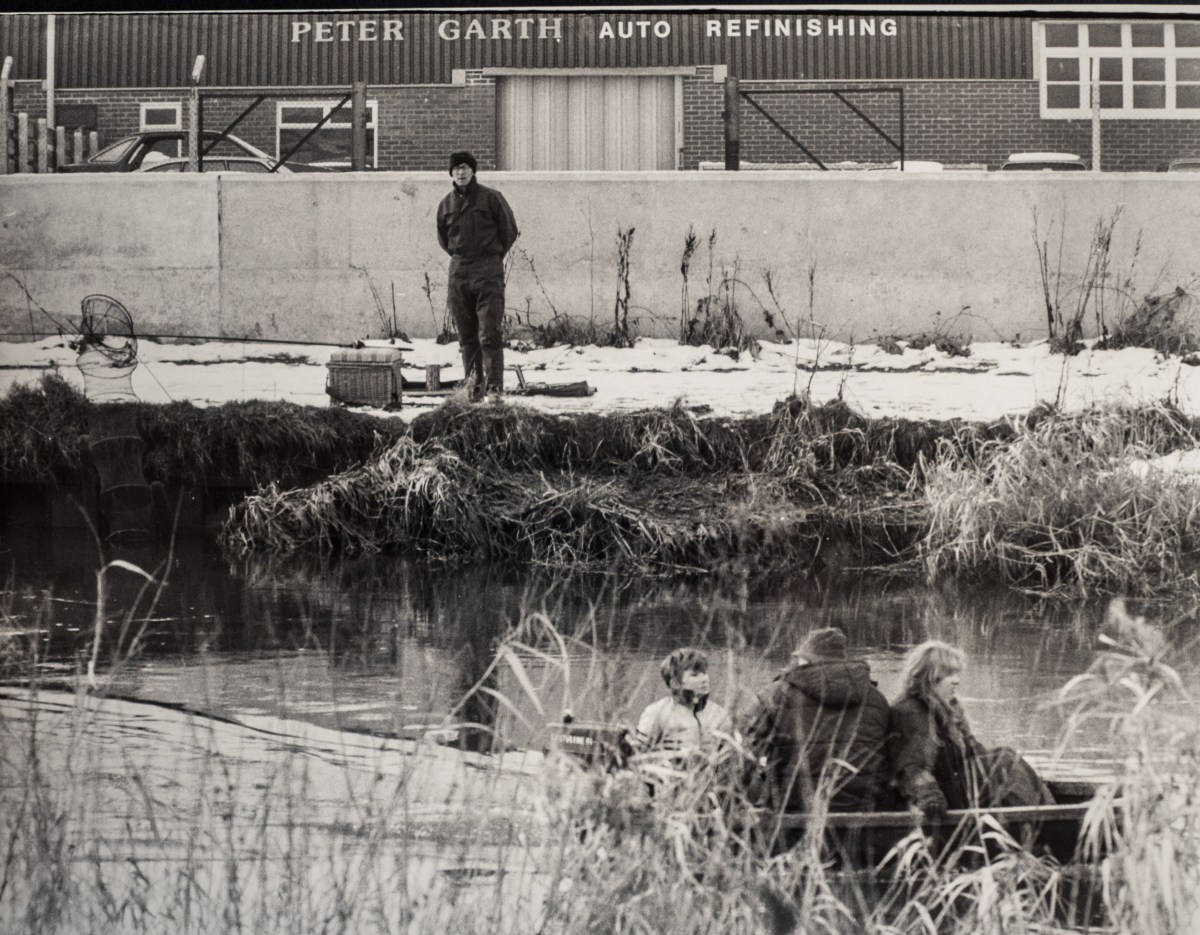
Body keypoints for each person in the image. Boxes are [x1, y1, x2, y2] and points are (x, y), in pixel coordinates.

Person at [887, 640, 1055, 819]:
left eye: (957, 674)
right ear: (929, 676)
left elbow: (973, 752)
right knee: (1006, 760)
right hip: (945, 796)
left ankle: (1047, 814)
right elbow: (911, 768)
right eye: (949, 675)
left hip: (961, 785)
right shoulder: (910, 712)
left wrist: (992, 764)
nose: (956, 681)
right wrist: (930, 797)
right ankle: (1049, 818)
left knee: (1005, 758)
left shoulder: (950, 709)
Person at [741, 626, 892, 813]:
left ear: (806, 659)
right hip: (863, 813)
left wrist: (728, 802)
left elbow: (742, 752)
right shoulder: (877, 699)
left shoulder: (776, 695)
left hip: (794, 814)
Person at [435, 151, 520, 400]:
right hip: (459, 272)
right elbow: (444, 239)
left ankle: (494, 390)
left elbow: (509, 231)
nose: (461, 172)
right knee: (467, 336)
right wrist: (462, 257)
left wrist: (492, 259)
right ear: (451, 173)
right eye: (456, 169)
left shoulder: (492, 198)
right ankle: (473, 388)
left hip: (487, 271)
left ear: (473, 171)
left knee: (489, 334)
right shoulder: (445, 205)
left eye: (465, 168)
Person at [636, 647, 732, 756]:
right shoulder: (657, 712)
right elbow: (638, 754)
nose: (705, 679)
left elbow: (729, 755)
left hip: (710, 771)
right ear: (675, 683)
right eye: (695, 675)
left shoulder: (718, 714)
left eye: (704, 673)